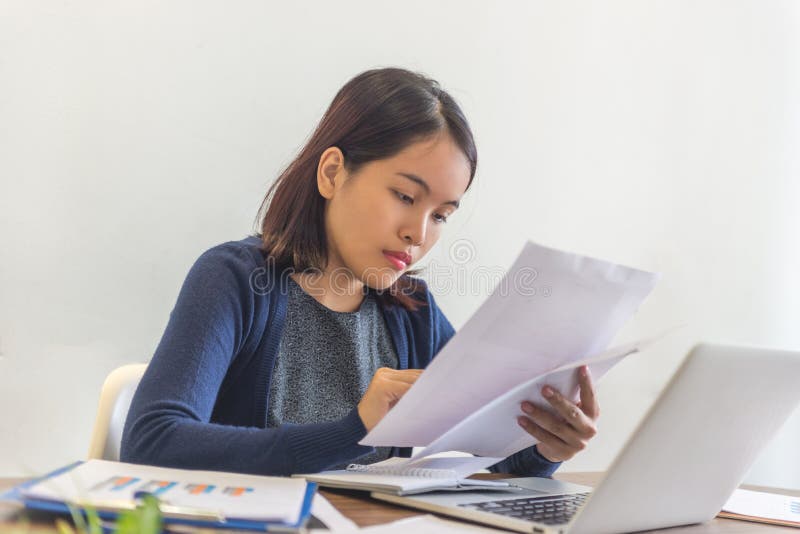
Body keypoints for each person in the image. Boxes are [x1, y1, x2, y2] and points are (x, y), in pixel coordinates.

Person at [120, 68, 599, 477]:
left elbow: (476, 462)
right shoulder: (237, 281)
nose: (419, 232)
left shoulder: (415, 315)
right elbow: (151, 444)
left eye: (441, 215)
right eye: (406, 197)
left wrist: (543, 450)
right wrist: (355, 431)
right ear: (332, 173)